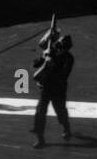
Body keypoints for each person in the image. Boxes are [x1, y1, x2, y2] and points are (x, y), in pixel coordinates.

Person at [32, 17, 74, 147]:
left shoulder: (68, 59)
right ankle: (40, 138)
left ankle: (66, 127)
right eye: (58, 44)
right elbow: (35, 63)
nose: (58, 46)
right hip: (46, 87)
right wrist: (44, 57)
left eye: (61, 46)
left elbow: (62, 74)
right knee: (40, 111)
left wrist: (51, 59)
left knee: (60, 111)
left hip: (58, 89)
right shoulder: (51, 52)